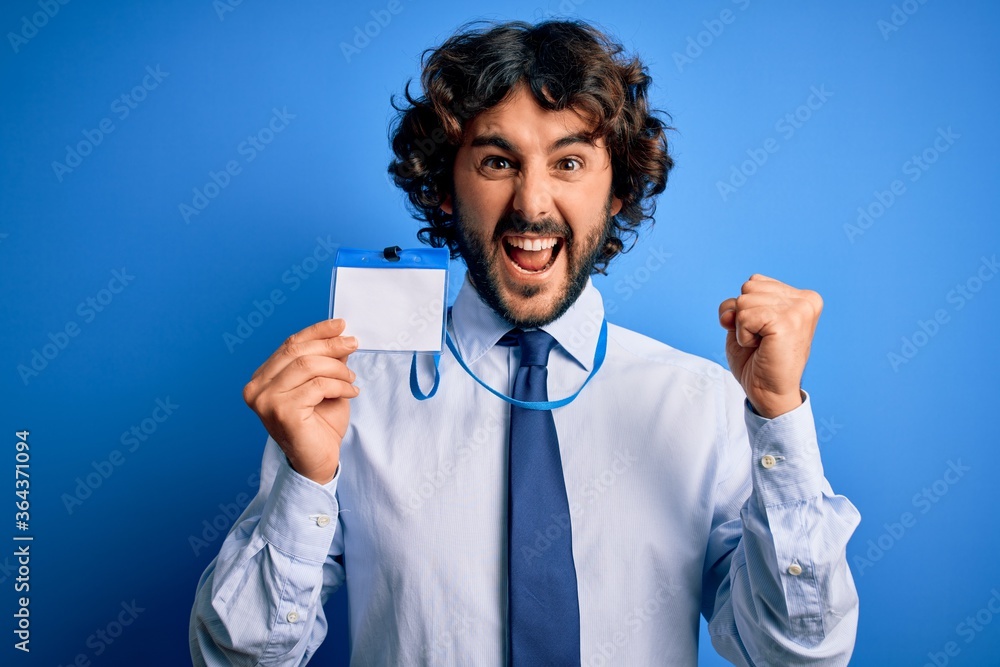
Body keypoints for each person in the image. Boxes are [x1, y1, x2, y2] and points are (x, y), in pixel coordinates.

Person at [190, 19, 859, 666]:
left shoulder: (704, 403)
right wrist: (305, 480)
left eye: (568, 161)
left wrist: (778, 417)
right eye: (497, 161)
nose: (532, 203)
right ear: (447, 188)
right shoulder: (347, 402)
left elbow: (797, 655)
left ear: (617, 190)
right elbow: (236, 660)